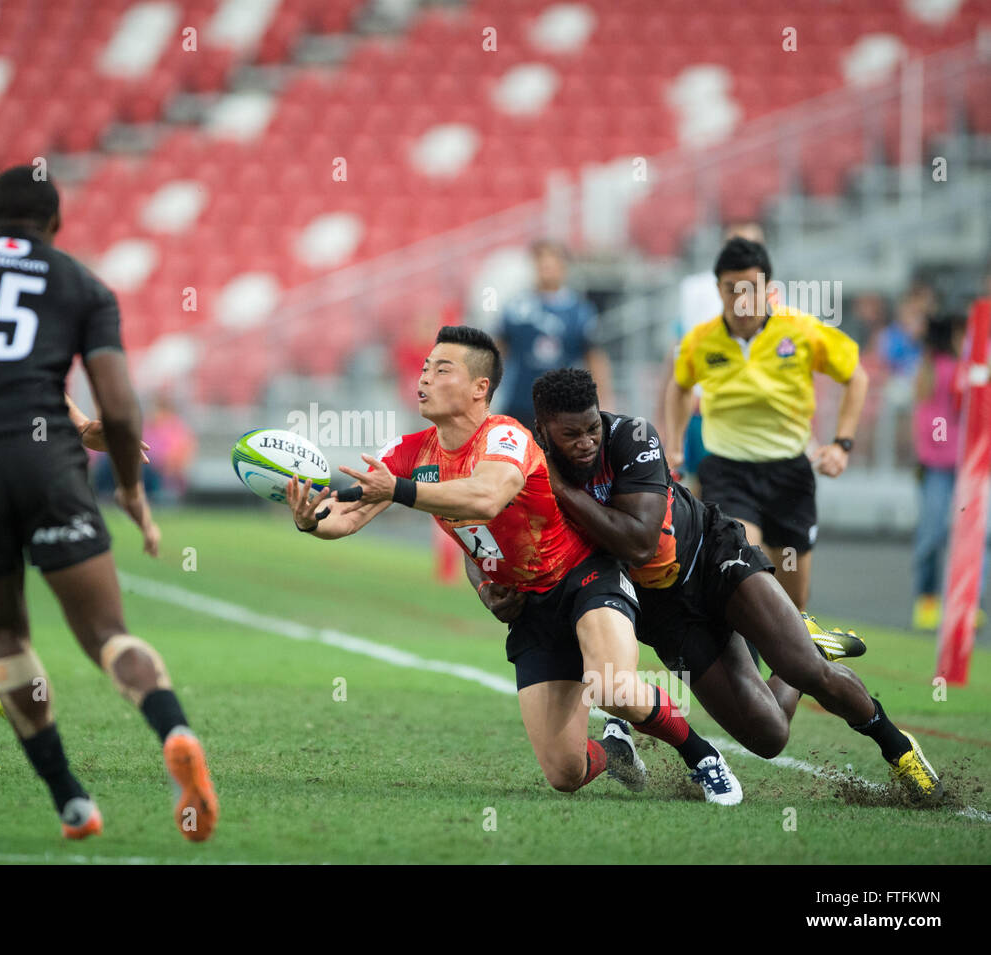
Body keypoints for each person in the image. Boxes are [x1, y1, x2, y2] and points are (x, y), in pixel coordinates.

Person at [0, 165, 218, 841]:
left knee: (8, 639)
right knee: (108, 633)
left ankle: (71, 800)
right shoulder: (82, 284)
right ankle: (173, 730)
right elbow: (118, 402)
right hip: (46, 460)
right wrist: (135, 495)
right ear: (54, 225)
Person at [288, 325, 744, 804]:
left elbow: (485, 497)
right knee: (565, 773)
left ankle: (702, 756)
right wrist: (309, 518)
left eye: (441, 370)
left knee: (611, 685)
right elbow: (344, 516)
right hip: (530, 609)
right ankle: (616, 749)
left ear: (479, 388)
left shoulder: (506, 436)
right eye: (424, 368)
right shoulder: (407, 453)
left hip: (586, 577)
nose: (424, 378)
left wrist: (400, 491)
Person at [476, 369, 943, 802]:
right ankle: (811, 644)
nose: (586, 442)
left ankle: (898, 749)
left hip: (711, 556)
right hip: (664, 613)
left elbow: (639, 542)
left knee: (805, 671)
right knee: (768, 737)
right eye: (570, 434)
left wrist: (561, 489)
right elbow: (476, 525)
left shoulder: (632, 437)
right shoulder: (524, 468)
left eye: (592, 427)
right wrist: (484, 583)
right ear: (542, 431)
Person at [663, 238, 869, 611]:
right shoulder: (700, 341)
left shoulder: (801, 331)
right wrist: (675, 443)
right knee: (747, 569)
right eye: (731, 290)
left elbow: (856, 377)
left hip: (789, 472)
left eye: (751, 290)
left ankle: (787, 669)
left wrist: (843, 444)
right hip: (727, 471)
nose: (742, 300)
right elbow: (679, 386)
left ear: (768, 290)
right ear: (718, 290)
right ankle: (747, 669)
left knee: (793, 602)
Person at [665, 222, 766, 488]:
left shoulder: (776, 293)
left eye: (754, 244)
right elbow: (679, 350)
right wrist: (669, 425)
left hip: (756, 411)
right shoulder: (696, 289)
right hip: (705, 408)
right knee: (702, 491)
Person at [495, 240, 614, 424]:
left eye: (552, 263)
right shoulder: (516, 307)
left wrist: (604, 400)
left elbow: (595, 358)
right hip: (520, 404)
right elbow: (499, 350)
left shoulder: (580, 311)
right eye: (541, 263)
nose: (546, 269)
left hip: (563, 406)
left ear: (563, 266)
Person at [912, 314, 971, 630]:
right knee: (939, 534)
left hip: (949, 463)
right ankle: (931, 599)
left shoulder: (938, 370)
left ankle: (937, 600)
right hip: (941, 464)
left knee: (940, 534)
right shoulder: (935, 370)